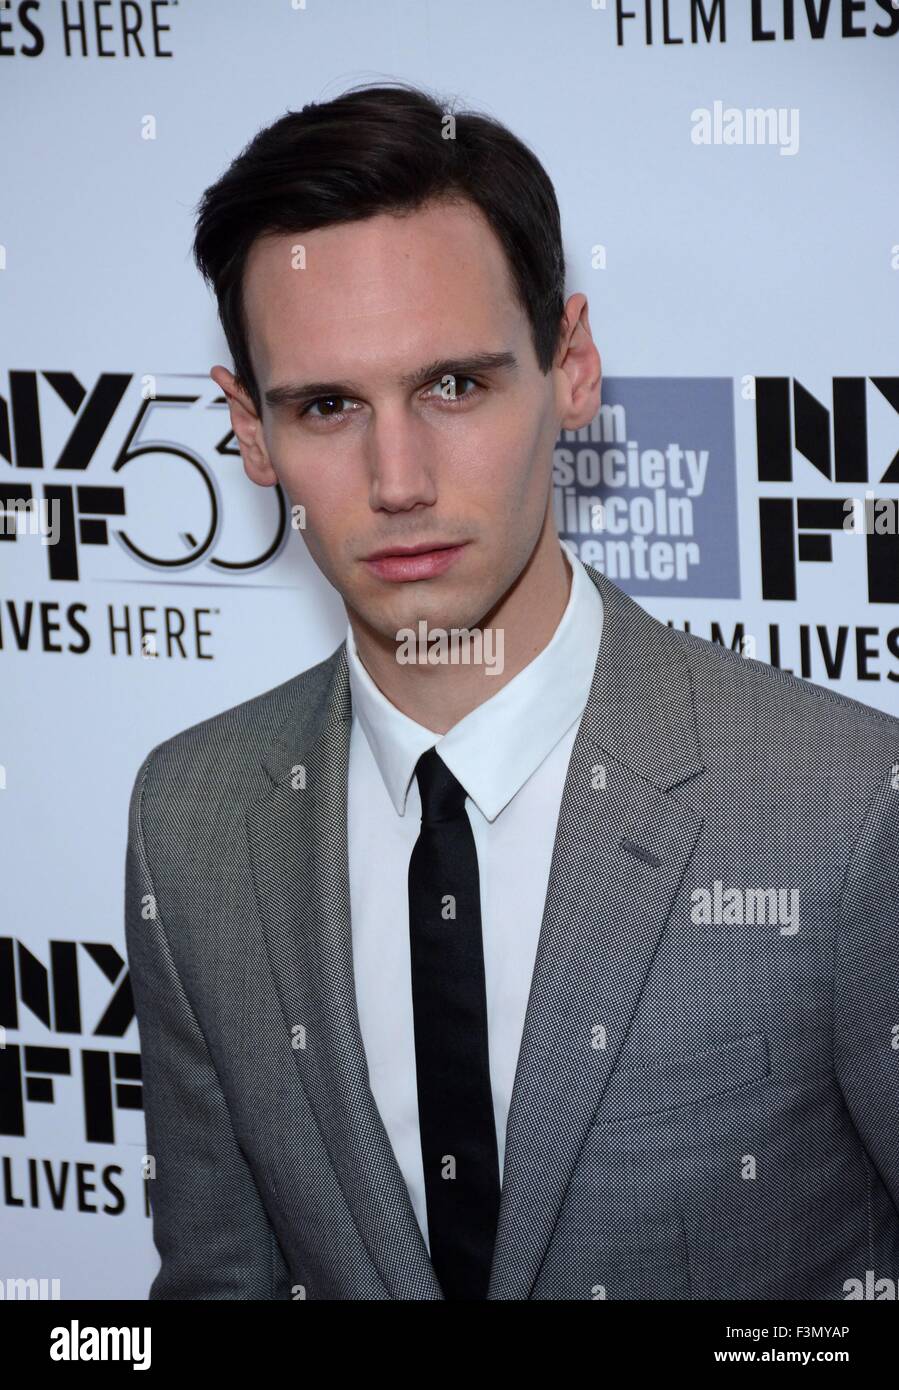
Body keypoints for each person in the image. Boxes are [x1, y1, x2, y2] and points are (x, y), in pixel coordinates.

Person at [125, 81, 899, 1301]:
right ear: (250, 431)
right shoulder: (190, 817)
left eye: (454, 386)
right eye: (327, 406)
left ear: (572, 368)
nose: (396, 479)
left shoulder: (847, 808)